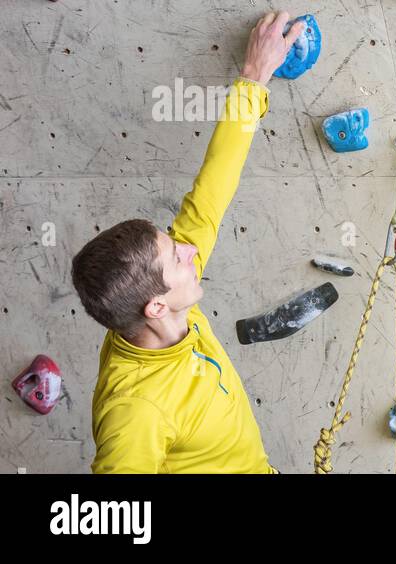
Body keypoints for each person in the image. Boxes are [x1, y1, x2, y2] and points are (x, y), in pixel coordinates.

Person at [70, 12, 304, 473]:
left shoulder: (165, 302)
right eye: (176, 256)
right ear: (155, 306)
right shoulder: (135, 410)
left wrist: (254, 77)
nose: (190, 248)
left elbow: (210, 194)